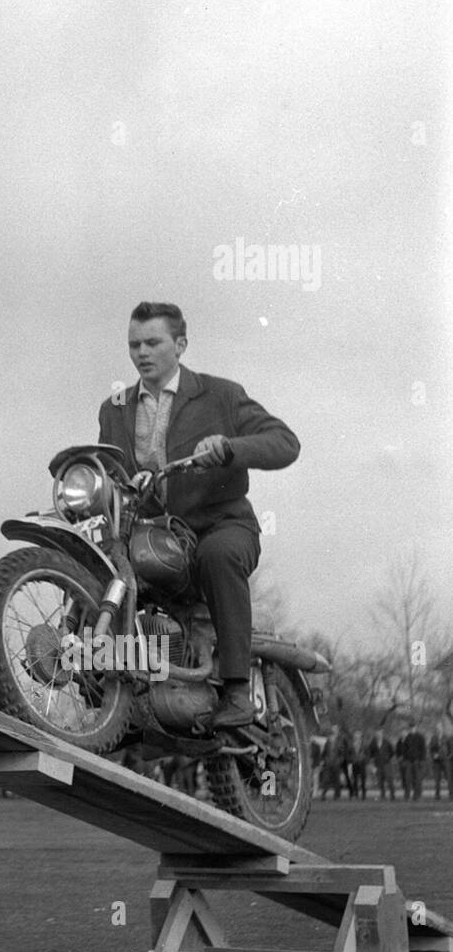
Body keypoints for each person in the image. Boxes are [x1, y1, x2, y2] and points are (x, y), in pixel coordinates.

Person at [98, 302, 301, 730]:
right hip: (154, 536)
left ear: (181, 345)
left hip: (221, 526)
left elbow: (285, 442)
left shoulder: (220, 395)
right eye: (134, 344)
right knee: (102, 558)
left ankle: (237, 691)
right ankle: (97, 678)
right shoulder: (114, 409)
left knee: (218, 555)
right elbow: (108, 473)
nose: (142, 353)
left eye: (153, 342)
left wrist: (229, 448)